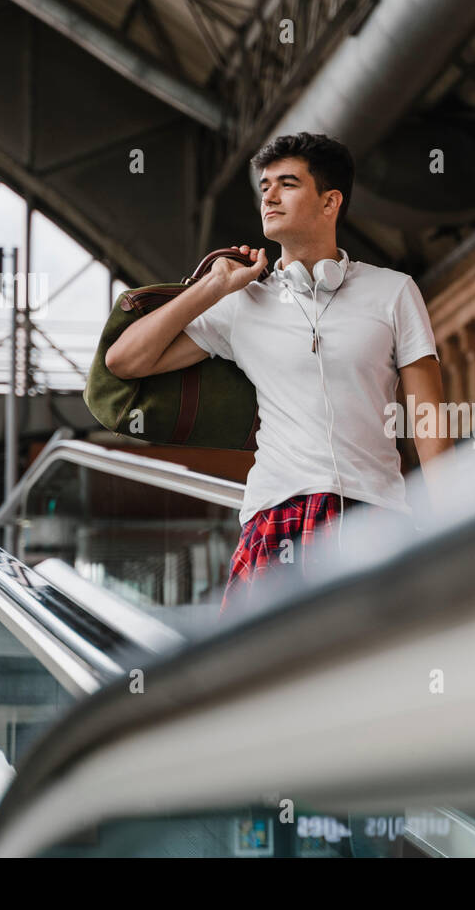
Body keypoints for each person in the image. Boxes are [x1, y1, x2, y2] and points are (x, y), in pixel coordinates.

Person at [104, 132, 454, 614]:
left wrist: (451, 517)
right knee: (260, 677)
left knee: (367, 675)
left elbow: (429, 420)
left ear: (330, 201)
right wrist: (212, 289)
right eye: (264, 185)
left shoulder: (394, 292)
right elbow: (125, 361)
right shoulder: (241, 304)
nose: (268, 195)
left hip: (374, 513)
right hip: (277, 513)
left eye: (287, 184)